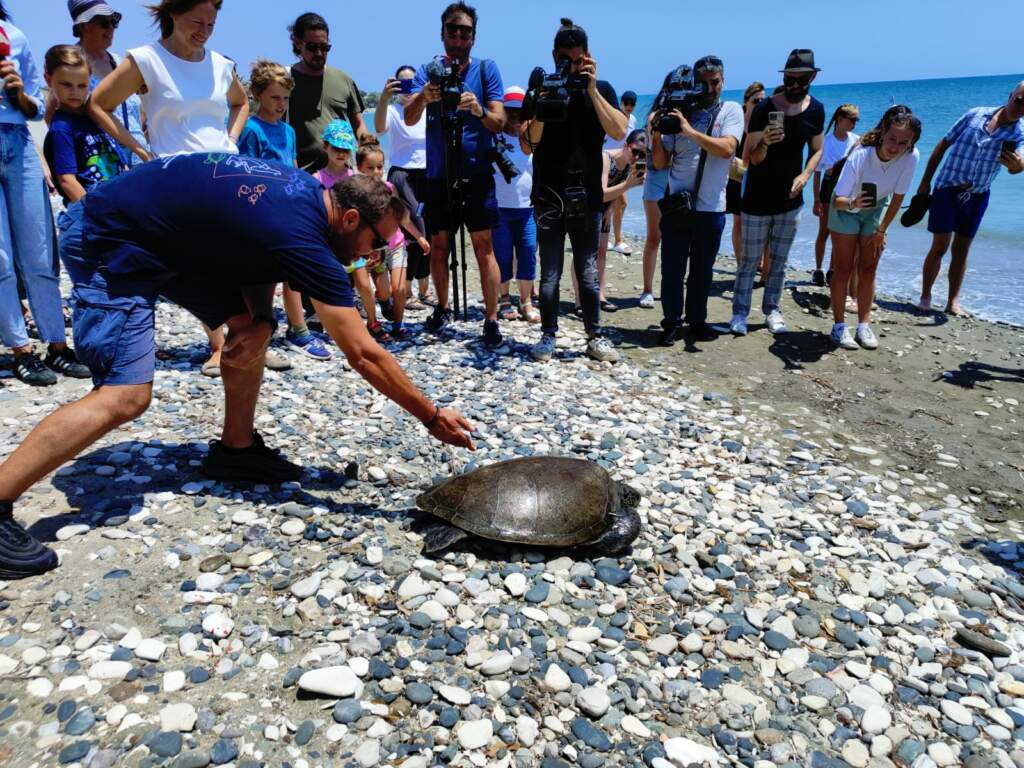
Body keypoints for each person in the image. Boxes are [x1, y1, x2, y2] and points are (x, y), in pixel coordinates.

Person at [0, 160, 476, 580]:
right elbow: (364, 353)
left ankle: (237, 449)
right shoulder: (305, 233)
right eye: (375, 241)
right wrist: (431, 417)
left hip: (168, 240)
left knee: (252, 330)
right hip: (110, 234)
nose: (371, 256)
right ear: (350, 218)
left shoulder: (306, 203)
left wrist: (264, 321)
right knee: (127, 396)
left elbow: (254, 255)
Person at [89, 0, 251, 378]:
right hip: (175, 180)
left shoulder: (220, 64)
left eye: (211, 23)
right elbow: (99, 104)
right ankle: (217, 347)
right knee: (198, 262)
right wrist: (141, 150)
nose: (204, 31)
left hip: (224, 175)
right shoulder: (147, 60)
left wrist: (230, 140)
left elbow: (240, 103)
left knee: (233, 260)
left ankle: (244, 343)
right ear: (173, 14)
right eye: (197, 22)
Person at [522, 19, 627, 363]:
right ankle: (548, 336)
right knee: (549, 272)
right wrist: (542, 103)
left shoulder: (602, 89)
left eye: (578, 58)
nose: (570, 64)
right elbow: (528, 144)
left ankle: (594, 336)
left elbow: (620, 129)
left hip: (587, 194)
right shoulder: (540, 85)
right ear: (554, 55)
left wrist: (592, 88)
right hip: (549, 193)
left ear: (588, 57)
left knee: (589, 272)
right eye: (565, 58)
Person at [404, 2, 506, 348]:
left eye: (465, 31)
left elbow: (499, 121)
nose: (459, 37)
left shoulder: (486, 70)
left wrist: (477, 109)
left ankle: (491, 319)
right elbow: (409, 117)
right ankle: (443, 307)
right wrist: (423, 96)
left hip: (476, 173)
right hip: (439, 174)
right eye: (453, 30)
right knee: (439, 247)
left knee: (484, 246)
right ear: (442, 33)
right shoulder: (428, 70)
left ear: (474, 38)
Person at [0, 6, 90, 385]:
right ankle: (21, 350)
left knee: (39, 250)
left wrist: (19, 92)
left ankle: (56, 346)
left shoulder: (13, 34)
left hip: (19, 142)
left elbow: (37, 108)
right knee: (1, 258)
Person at [238, 58, 329, 364]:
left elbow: (291, 168)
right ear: (258, 95)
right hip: (260, 210)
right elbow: (245, 173)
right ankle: (259, 332)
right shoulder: (251, 129)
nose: (281, 104)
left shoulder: (289, 131)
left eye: (286, 98)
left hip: (287, 209)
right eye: (275, 97)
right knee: (261, 276)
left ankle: (299, 328)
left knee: (293, 272)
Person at [729, 49, 824, 337]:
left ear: (812, 77)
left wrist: (806, 175)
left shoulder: (816, 109)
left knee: (779, 263)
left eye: (802, 80)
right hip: (757, 199)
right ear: (785, 77)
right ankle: (740, 314)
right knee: (749, 262)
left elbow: (818, 150)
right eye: (791, 79)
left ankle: (772, 310)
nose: (796, 86)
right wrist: (766, 143)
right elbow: (751, 159)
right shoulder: (764, 108)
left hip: (790, 201)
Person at [651, 56, 743, 346]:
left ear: (723, 81)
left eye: (714, 82)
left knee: (703, 270)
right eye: (703, 83)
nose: (709, 88)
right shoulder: (681, 112)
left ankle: (698, 322)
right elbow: (661, 162)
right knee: (672, 270)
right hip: (678, 204)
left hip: (711, 206)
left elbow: (727, 149)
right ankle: (671, 323)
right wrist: (655, 131)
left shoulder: (731, 110)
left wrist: (689, 131)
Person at [917, 82, 1024, 316]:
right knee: (940, 246)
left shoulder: (1019, 133)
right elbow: (943, 144)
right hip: (947, 188)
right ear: (1010, 95)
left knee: (962, 250)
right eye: (1019, 100)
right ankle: (925, 297)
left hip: (977, 195)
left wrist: (1017, 166)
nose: (1021, 107)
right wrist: (925, 182)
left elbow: (1020, 164)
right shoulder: (975, 114)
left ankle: (952, 302)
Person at [828, 106, 921, 350]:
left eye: (903, 142)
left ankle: (863, 325)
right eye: (892, 138)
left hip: (876, 207)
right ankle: (838, 326)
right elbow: (838, 200)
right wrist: (854, 203)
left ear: (911, 143)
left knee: (868, 267)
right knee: (843, 268)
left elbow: (898, 198)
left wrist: (882, 231)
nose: (895, 146)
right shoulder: (861, 154)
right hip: (845, 206)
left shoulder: (911, 157)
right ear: (882, 134)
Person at [52, 1, 148, 166]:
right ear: (83, 26)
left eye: (114, 22)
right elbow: (53, 115)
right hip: (102, 163)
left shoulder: (119, 62)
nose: (110, 28)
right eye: (104, 22)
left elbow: (139, 112)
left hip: (140, 159)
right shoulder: (68, 66)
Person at [355, 135, 432, 340]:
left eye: (379, 167)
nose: (376, 172)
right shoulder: (357, 193)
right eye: (370, 168)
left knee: (399, 289)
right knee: (380, 292)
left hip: (396, 245)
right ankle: (374, 322)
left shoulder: (389, 188)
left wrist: (419, 236)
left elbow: (402, 217)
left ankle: (398, 325)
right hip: (373, 248)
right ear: (360, 168)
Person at [375, 65, 433, 309]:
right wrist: (384, 97)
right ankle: (407, 290)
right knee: (412, 230)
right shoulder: (393, 110)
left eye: (413, 83)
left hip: (428, 173)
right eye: (403, 83)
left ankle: (424, 290)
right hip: (402, 175)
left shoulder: (427, 109)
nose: (408, 88)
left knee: (428, 230)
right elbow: (378, 128)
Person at [287, 11, 369, 172]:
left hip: (343, 176)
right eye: (312, 47)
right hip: (303, 177)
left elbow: (359, 124)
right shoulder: (286, 81)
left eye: (324, 47)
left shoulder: (343, 79)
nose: (319, 53)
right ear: (297, 43)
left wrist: (368, 149)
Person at [584, 129, 644, 313]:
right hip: (587, 209)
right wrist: (628, 185)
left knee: (602, 252)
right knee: (585, 256)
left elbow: (615, 193)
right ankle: (580, 301)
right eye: (635, 151)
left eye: (642, 154)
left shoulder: (627, 165)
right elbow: (601, 192)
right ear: (626, 146)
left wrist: (609, 212)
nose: (637, 157)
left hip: (604, 210)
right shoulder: (605, 158)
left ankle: (599, 295)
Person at [492, 86, 539, 323]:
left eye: (519, 111)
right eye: (509, 110)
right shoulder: (494, 135)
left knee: (528, 253)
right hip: (500, 208)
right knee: (502, 256)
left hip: (527, 209)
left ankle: (527, 301)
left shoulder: (532, 136)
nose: (514, 116)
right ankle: (504, 299)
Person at [812, 104, 859, 286]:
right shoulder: (826, 142)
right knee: (824, 231)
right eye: (851, 119)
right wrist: (815, 200)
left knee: (839, 233)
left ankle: (832, 270)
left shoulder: (856, 140)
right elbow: (817, 172)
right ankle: (818, 269)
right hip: (828, 189)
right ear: (840, 119)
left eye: (856, 120)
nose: (854, 124)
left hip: (847, 190)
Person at [725, 82, 765, 269]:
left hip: (759, 178)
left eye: (763, 100)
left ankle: (759, 261)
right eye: (756, 100)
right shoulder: (736, 121)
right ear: (747, 102)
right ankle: (742, 263)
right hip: (737, 178)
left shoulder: (764, 123)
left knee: (759, 223)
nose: (760, 103)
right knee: (739, 222)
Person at [637, 107, 670, 309]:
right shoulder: (654, 117)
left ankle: (670, 287)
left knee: (677, 238)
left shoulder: (688, 116)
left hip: (679, 179)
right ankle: (647, 289)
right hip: (656, 179)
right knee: (653, 237)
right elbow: (656, 158)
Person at [608, 90, 638, 255]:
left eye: (632, 104)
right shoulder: (615, 117)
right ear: (621, 103)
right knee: (618, 202)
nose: (629, 107)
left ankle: (610, 238)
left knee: (616, 203)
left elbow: (634, 143)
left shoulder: (633, 119)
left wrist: (636, 164)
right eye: (626, 103)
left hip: (624, 164)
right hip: (610, 163)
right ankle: (617, 240)